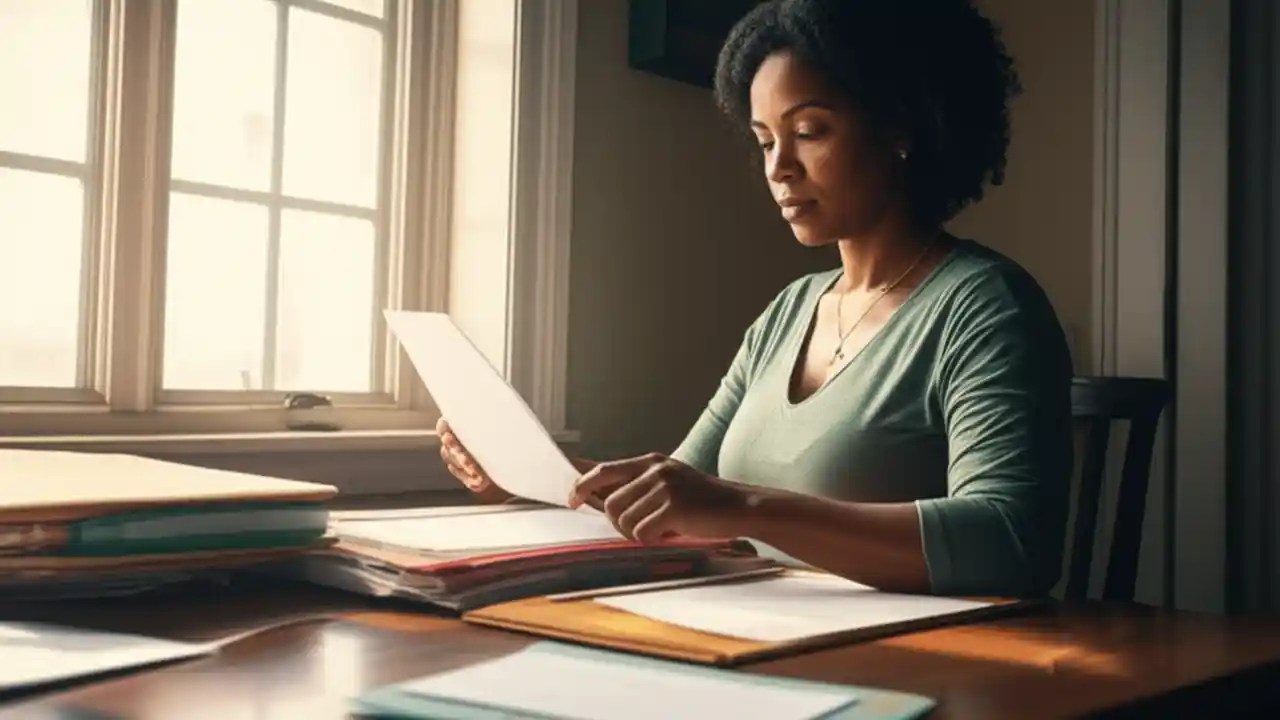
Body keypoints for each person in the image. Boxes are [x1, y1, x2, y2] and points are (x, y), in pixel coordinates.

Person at [437, 0, 1073, 598]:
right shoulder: (790, 312)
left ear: (901, 126)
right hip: (756, 640)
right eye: (767, 140)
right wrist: (535, 476)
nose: (779, 168)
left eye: (810, 131)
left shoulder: (987, 307)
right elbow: (682, 496)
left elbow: (1010, 541)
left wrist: (746, 507)